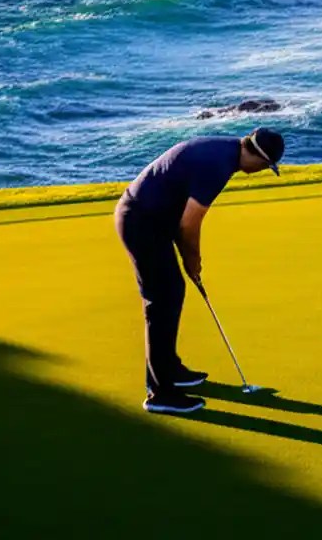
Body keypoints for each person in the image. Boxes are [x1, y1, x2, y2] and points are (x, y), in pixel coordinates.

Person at [115, 128, 285, 414]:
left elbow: (183, 219)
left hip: (153, 219)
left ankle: (170, 369)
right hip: (141, 221)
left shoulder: (225, 152)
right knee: (162, 301)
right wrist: (192, 259)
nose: (261, 171)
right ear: (256, 156)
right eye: (265, 166)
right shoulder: (218, 165)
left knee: (172, 293)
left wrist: (187, 258)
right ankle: (159, 394)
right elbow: (190, 224)